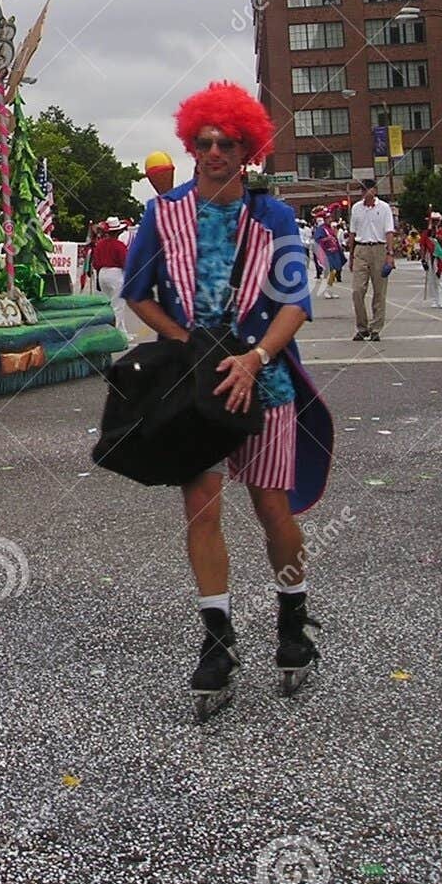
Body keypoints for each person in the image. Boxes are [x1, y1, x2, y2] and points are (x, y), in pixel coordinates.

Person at [122, 82, 333, 716]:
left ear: (247, 148)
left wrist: (255, 356)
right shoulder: (162, 216)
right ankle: (217, 640)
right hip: (197, 389)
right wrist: (190, 344)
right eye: (204, 141)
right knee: (201, 511)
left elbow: (296, 303)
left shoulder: (275, 217)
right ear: (191, 145)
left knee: (273, 512)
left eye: (227, 142)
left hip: (263, 386)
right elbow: (138, 292)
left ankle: (292, 620)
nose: (214, 152)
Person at [348, 179, 396, 342]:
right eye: (361, 190)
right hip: (361, 249)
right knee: (357, 291)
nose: (363, 193)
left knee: (379, 291)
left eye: (365, 189)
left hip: (379, 248)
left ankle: (376, 328)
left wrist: (390, 253)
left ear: (374, 190)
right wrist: (351, 254)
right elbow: (353, 233)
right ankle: (362, 327)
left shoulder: (384, 208)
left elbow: (389, 231)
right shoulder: (356, 208)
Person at [89, 217, 130, 335]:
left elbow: (95, 263)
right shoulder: (119, 245)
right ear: (118, 232)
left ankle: (121, 331)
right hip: (115, 274)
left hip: (102, 273)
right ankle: (115, 333)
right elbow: (125, 262)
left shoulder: (100, 244)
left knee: (108, 304)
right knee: (118, 306)